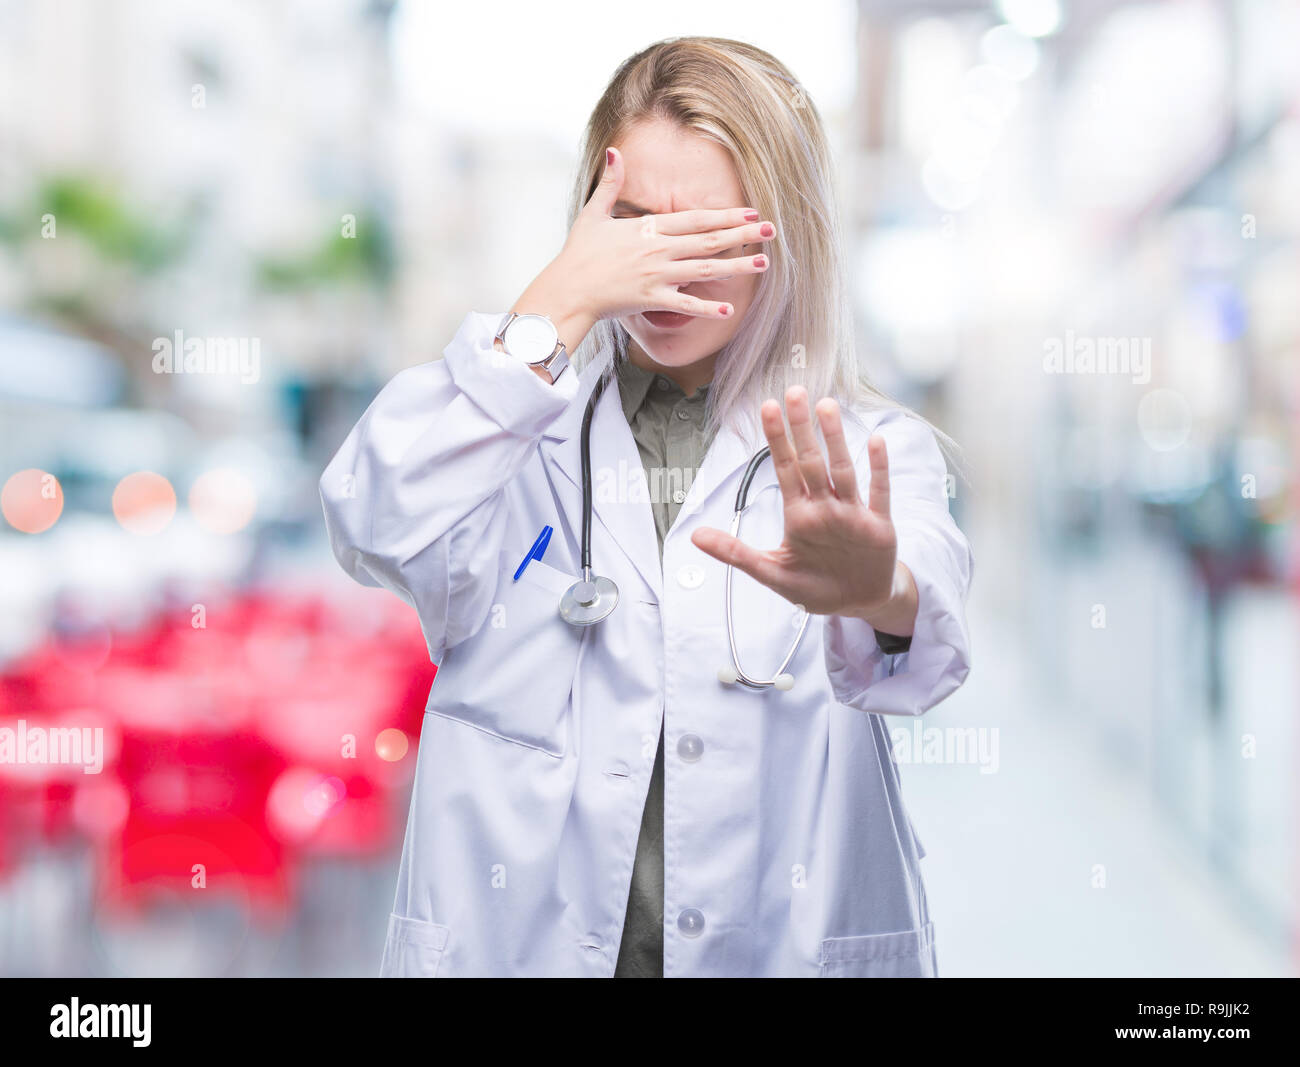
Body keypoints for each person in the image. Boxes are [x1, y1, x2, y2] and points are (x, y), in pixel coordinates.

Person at [320, 35, 972, 978]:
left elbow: (930, 641)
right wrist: (549, 308)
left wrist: (880, 591)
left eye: (707, 234)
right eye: (630, 225)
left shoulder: (866, 448)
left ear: (783, 234)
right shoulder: (507, 427)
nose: (665, 268)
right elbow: (376, 516)